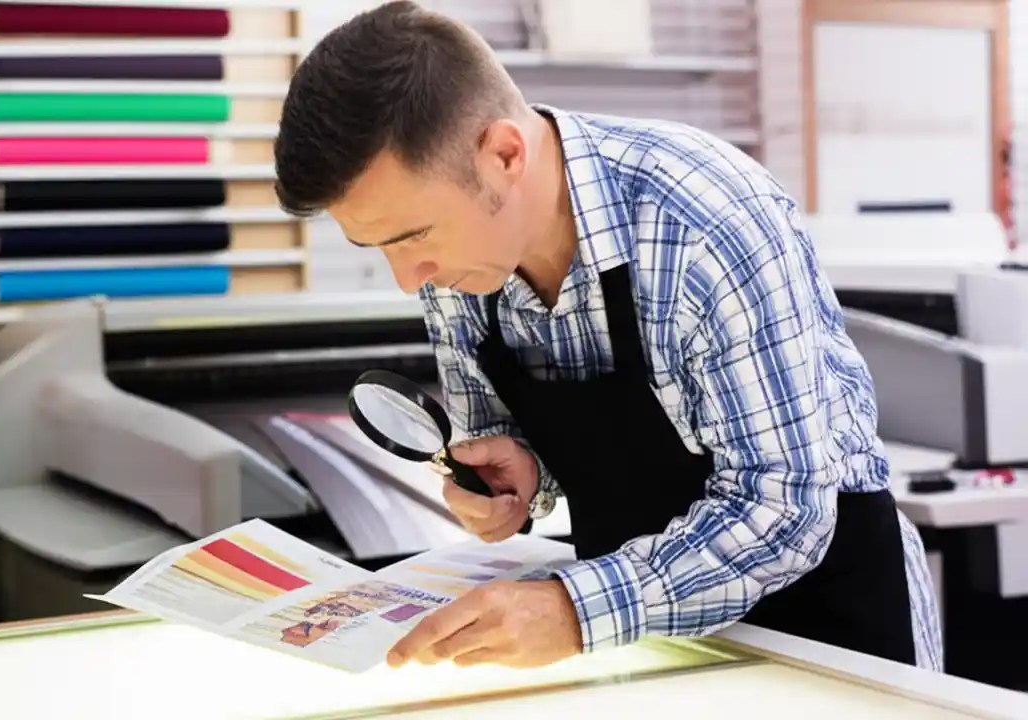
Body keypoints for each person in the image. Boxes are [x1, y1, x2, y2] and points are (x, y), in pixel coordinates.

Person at [272, 0, 942, 672]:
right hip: (649, 642)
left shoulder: (702, 221)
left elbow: (785, 513)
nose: (406, 277)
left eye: (413, 235)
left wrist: (572, 611)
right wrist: (522, 480)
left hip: (827, 629)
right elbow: (520, 453)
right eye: (375, 245)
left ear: (504, 153)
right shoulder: (456, 270)